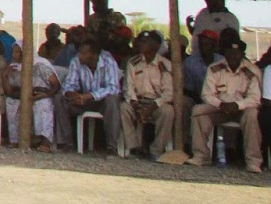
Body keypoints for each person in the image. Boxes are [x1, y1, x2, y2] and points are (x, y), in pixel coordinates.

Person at [188, 35, 262, 173]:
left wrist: (237, 105)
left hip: (242, 111)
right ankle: (201, 155)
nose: (233, 55)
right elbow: (206, 94)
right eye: (230, 52)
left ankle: (253, 161)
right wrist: (221, 105)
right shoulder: (215, 68)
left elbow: (255, 98)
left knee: (252, 114)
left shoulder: (252, 71)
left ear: (242, 54)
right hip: (220, 109)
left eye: (237, 52)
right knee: (198, 111)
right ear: (224, 53)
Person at [120, 31, 175, 159]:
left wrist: (151, 108)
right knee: (124, 107)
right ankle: (134, 148)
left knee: (168, 111)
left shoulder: (166, 65)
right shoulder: (133, 62)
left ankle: (156, 150)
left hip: (156, 104)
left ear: (155, 46)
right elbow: (128, 88)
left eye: (145, 42)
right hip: (138, 102)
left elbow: (168, 93)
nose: (140, 43)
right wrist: (135, 104)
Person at [62, 39, 122, 152]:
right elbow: (69, 84)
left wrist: (90, 96)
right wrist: (73, 94)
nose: (80, 56)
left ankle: (111, 146)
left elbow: (113, 88)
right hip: (83, 100)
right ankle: (67, 142)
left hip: (102, 102)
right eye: (79, 52)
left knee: (113, 100)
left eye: (83, 53)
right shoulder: (76, 61)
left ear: (94, 55)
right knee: (60, 99)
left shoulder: (109, 62)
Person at [3, 44, 59, 150]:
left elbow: (56, 85)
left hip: (42, 94)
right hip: (21, 95)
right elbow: (8, 91)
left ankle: (45, 142)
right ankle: (15, 140)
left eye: (17, 52)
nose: (14, 55)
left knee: (43, 104)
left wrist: (46, 94)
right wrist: (4, 76)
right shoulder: (14, 67)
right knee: (11, 102)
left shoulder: (39, 65)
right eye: (13, 52)